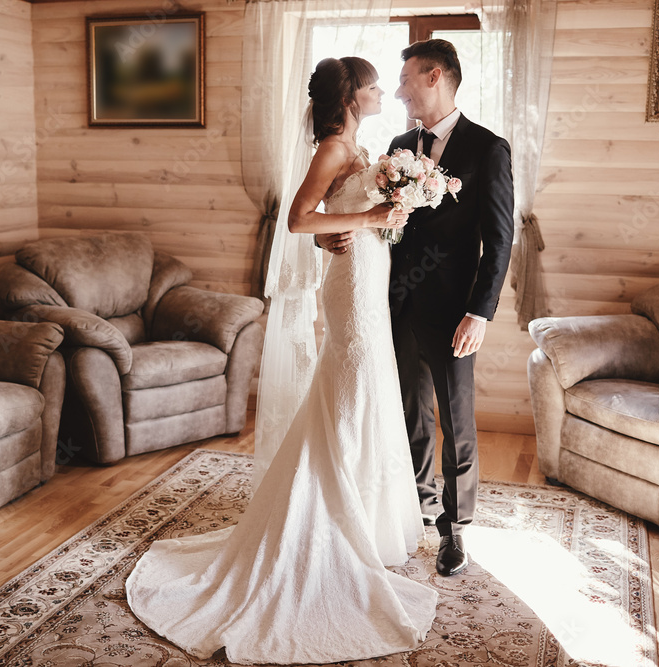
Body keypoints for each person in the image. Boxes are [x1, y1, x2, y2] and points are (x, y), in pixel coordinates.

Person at [125, 56, 438, 664]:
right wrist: (364, 218)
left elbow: (325, 221)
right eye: (373, 85)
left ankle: (365, 522)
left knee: (367, 389)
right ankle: (326, 519)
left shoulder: (357, 145)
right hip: (350, 288)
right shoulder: (330, 147)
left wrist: (375, 219)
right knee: (350, 391)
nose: (380, 92)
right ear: (350, 95)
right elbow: (298, 218)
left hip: (369, 274)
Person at [318, 39, 514, 577]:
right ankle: (421, 509)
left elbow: (499, 241)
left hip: (455, 311)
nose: (399, 91)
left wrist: (481, 311)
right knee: (410, 411)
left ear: (434, 77)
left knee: (456, 418)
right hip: (391, 303)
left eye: (404, 80)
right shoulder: (400, 143)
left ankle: (456, 528)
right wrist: (327, 239)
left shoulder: (487, 149)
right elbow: (370, 215)